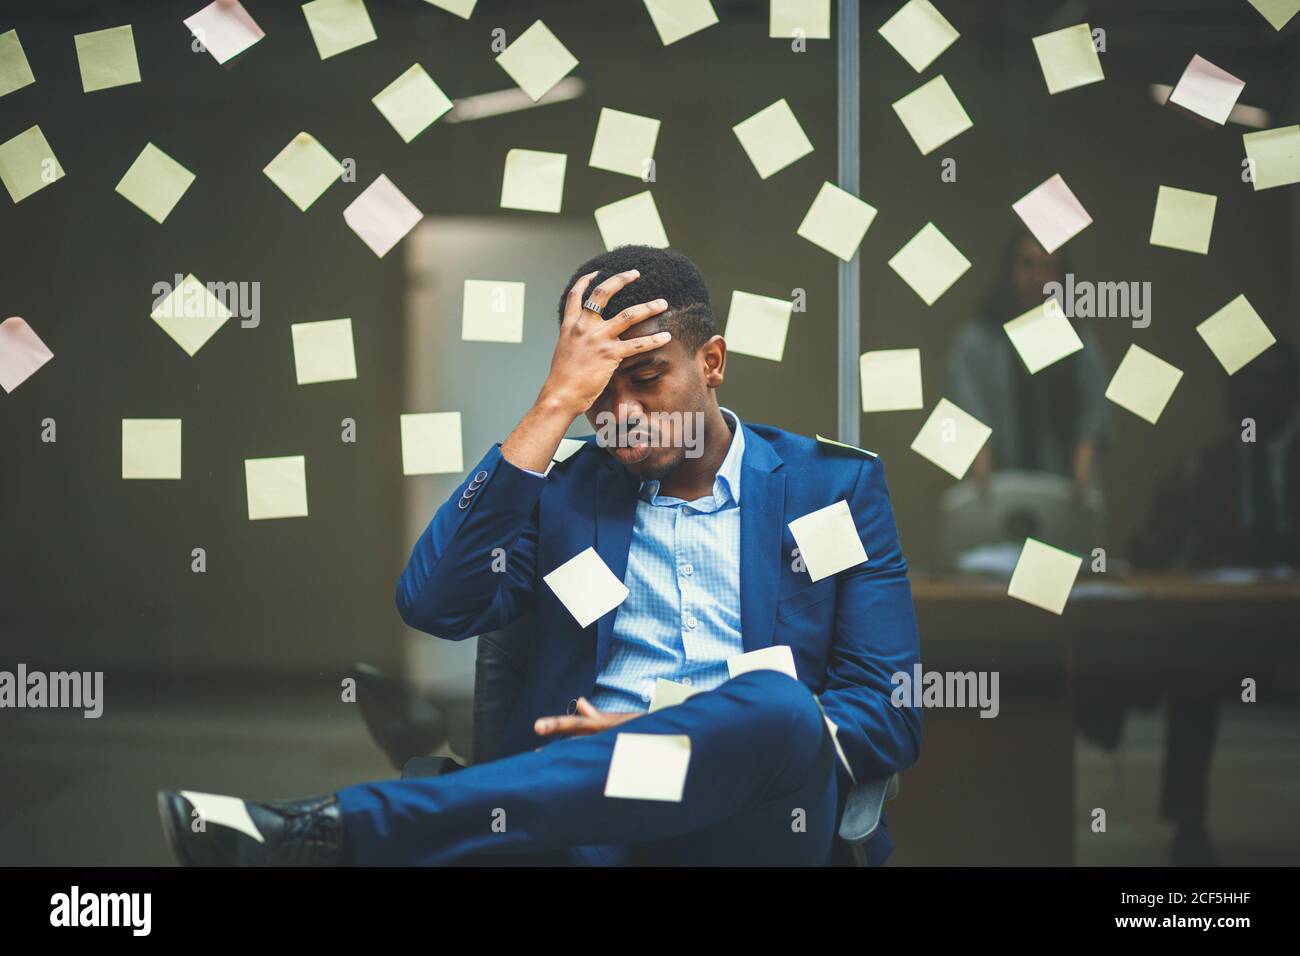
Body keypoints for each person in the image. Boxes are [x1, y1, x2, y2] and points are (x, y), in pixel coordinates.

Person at [156, 246, 923, 866]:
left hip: (753, 815)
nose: (621, 416)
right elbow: (434, 602)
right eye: (598, 391)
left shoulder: (833, 487)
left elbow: (886, 711)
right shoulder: (561, 494)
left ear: (713, 361)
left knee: (779, 705)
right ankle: (330, 833)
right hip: (587, 822)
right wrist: (554, 405)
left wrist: (659, 732)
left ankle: (336, 830)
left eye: (647, 380)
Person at [946, 229, 1112, 494]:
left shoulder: (1079, 343)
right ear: (1010, 269)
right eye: (1027, 264)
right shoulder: (977, 343)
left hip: (1062, 493)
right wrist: (980, 465)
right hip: (996, 491)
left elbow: (1096, 414)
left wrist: (1084, 460)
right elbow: (965, 410)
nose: (1036, 277)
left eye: (1048, 267)